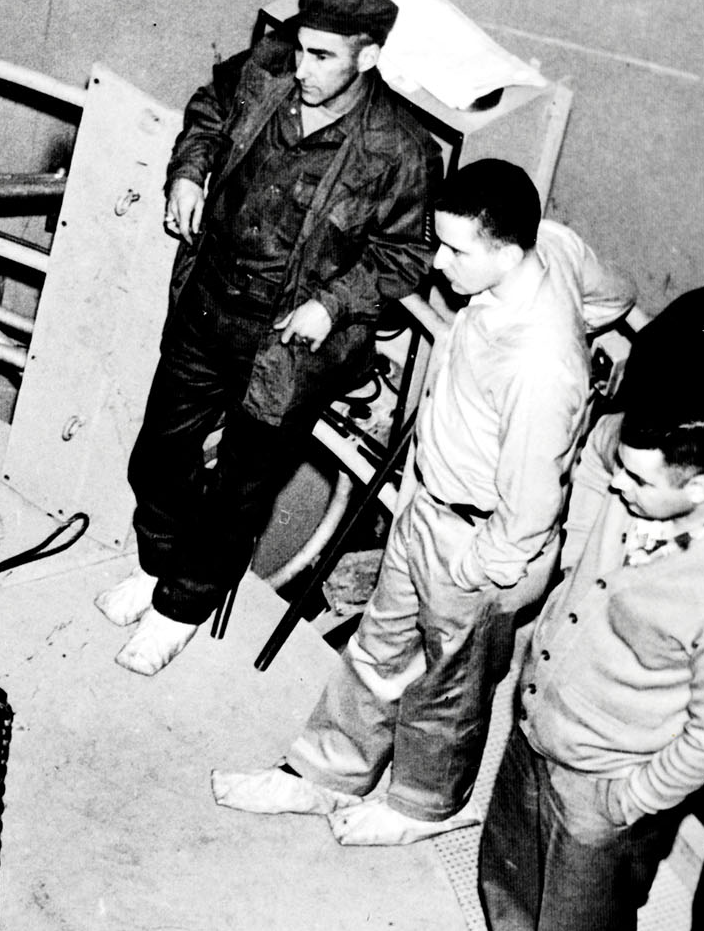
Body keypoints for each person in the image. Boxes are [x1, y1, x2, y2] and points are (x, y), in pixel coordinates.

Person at [212, 162, 592, 845]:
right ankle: (326, 773)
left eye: (454, 250)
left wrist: (480, 565)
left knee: (446, 686)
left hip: (477, 541)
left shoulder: (542, 364)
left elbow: (533, 505)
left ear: (506, 252)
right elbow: (607, 286)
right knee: (377, 647)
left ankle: (423, 805)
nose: (438, 265)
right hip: (429, 509)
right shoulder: (554, 247)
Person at [406, 290, 704, 931]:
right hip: (540, 723)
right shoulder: (632, 447)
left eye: (640, 483)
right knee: (511, 866)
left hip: (612, 778)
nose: (618, 479)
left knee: (582, 924)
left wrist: (630, 801)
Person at [96, 0, 440, 676]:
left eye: (320, 56)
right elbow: (209, 110)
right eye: (299, 48)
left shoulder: (400, 150)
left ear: (367, 57)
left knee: (240, 491)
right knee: (159, 455)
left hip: (288, 346)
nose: (300, 66)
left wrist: (336, 302)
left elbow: (408, 253)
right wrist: (187, 175)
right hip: (208, 306)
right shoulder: (269, 66)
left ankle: (181, 610)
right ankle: (158, 563)